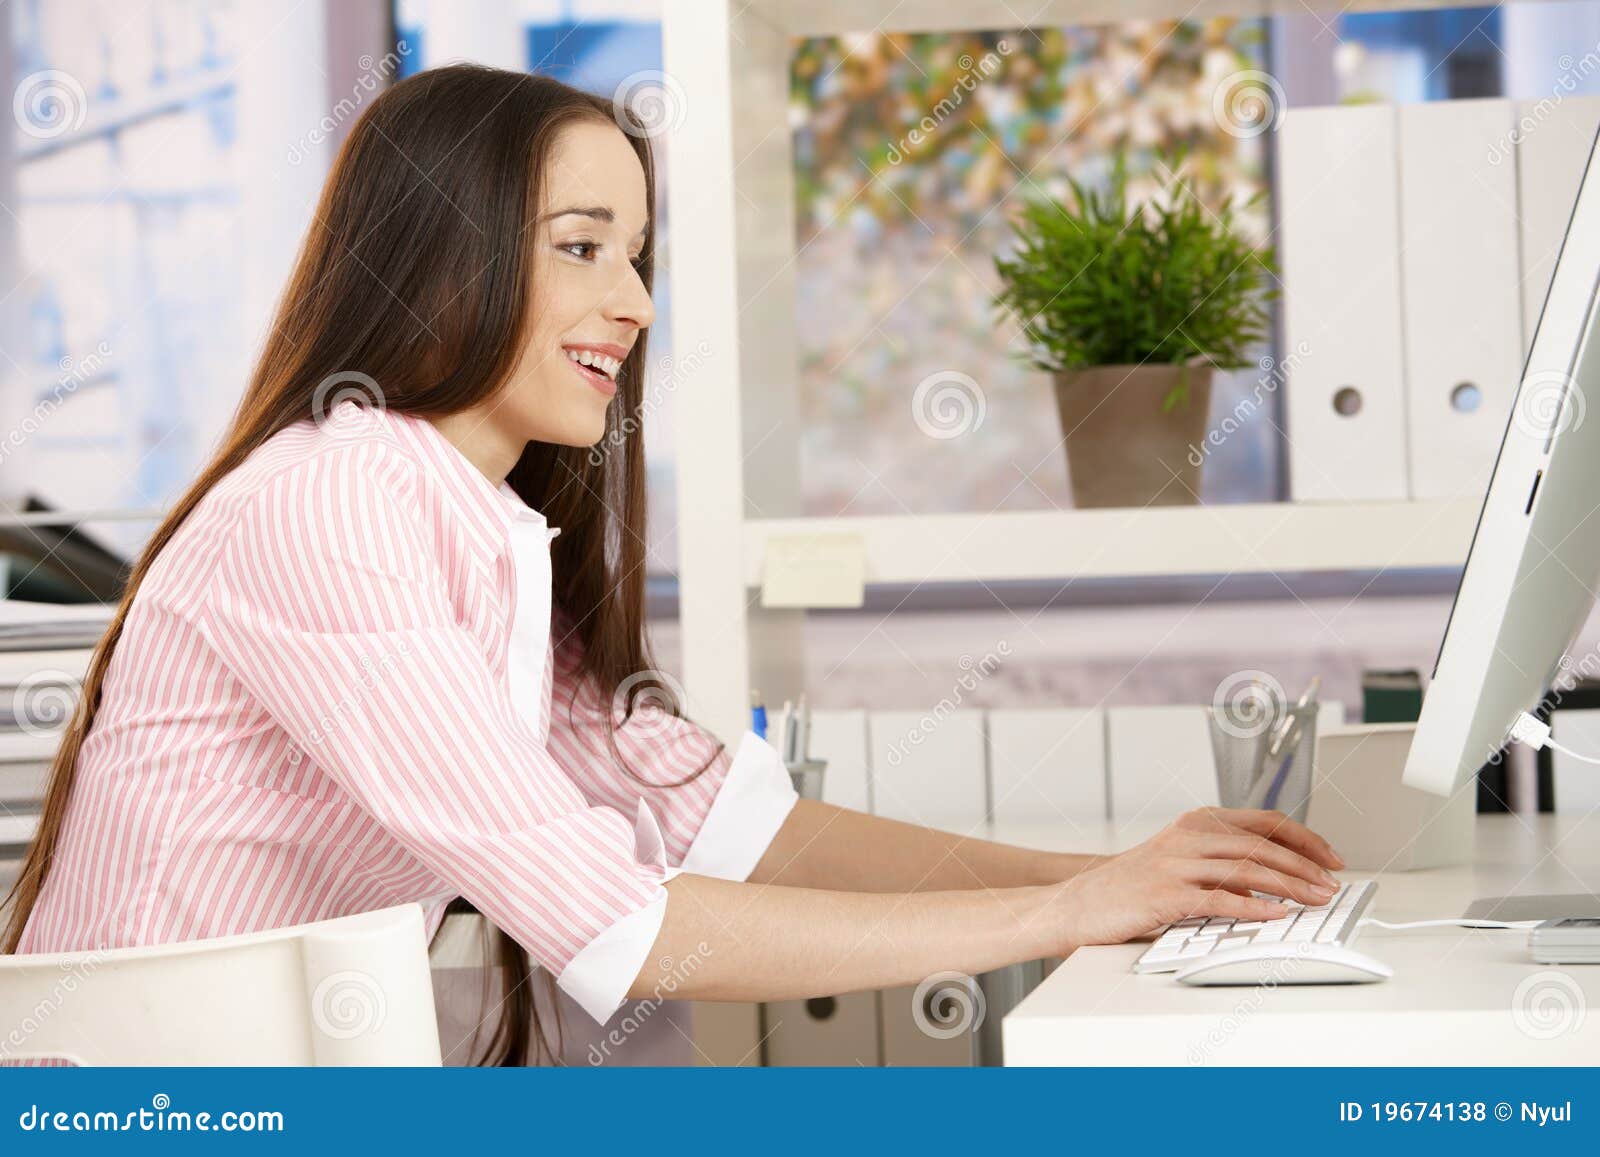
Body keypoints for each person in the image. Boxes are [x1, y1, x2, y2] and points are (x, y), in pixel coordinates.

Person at [1, 65, 1344, 1065]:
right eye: (580, 247)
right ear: (435, 255)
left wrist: (1112, 882)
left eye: (635, 256)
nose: (634, 303)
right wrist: (1068, 907)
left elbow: (738, 828)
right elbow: (624, 930)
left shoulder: (470, 518)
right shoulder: (342, 497)